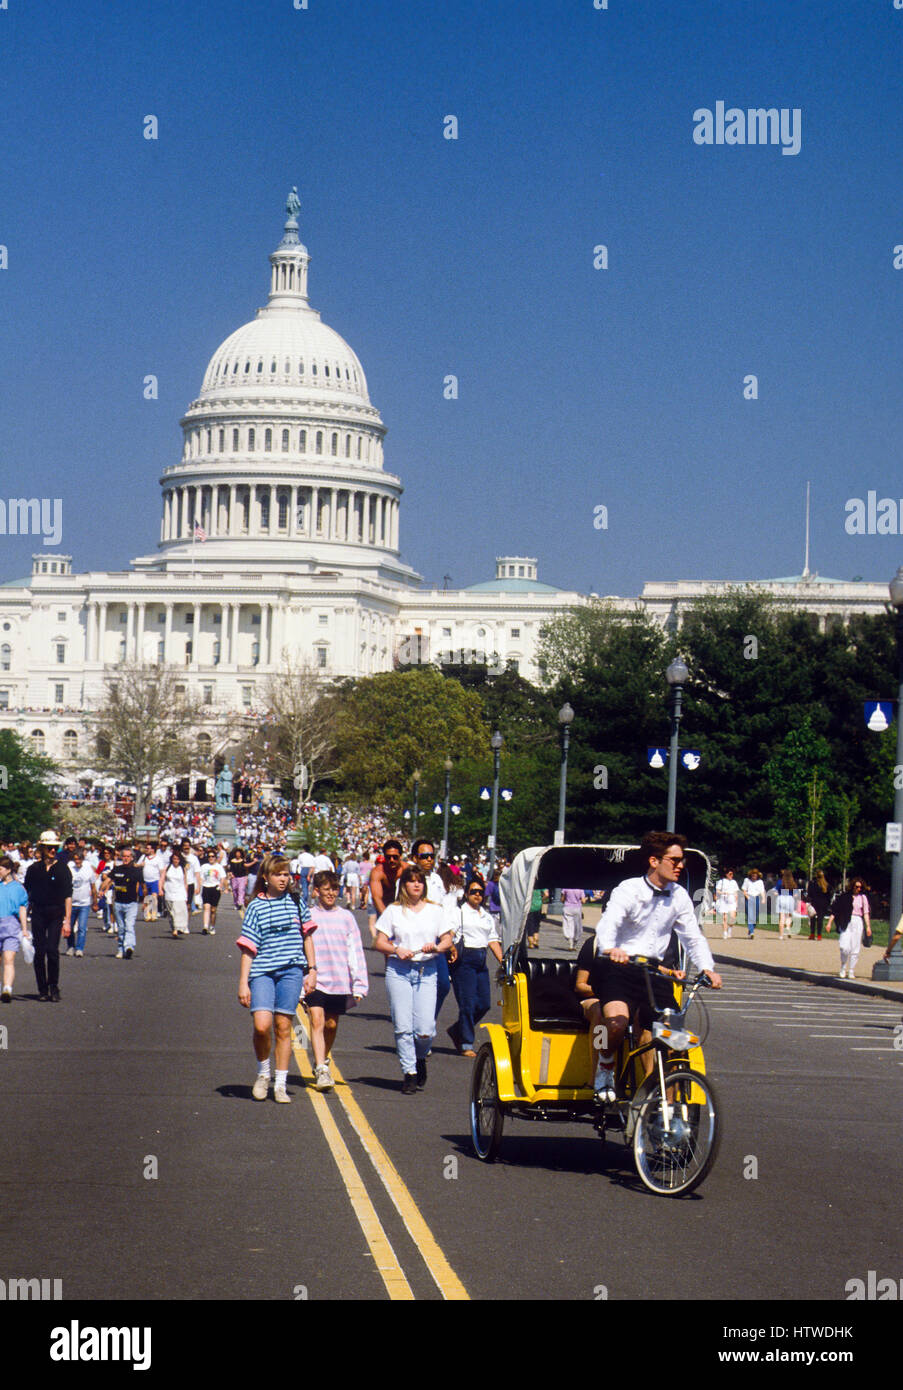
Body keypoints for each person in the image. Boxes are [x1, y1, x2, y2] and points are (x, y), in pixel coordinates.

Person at [592, 831, 722, 1099]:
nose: (680, 865)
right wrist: (610, 947)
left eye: (682, 860)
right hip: (619, 966)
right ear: (654, 861)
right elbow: (609, 922)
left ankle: (666, 1100)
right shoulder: (629, 889)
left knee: (673, 1037)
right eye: (674, 860)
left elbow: (692, 937)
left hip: (653, 972)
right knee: (614, 1024)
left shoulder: (679, 896)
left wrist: (707, 968)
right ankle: (605, 1063)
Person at [237, 854, 317, 1103]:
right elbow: (248, 948)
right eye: (278, 874)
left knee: (283, 1027)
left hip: (291, 971)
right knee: (262, 1026)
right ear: (266, 877)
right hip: (262, 971)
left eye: (286, 874)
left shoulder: (296, 901)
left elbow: (307, 937)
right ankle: (263, 1073)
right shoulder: (256, 906)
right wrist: (243, 982)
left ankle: (280, 1083)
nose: (283, 879)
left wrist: (312, 970)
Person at [373, 867, 452, 1093]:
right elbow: (379, 942)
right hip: (399, 971)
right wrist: (396, 949)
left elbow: (448, 938)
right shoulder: (394, 911)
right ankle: (409, 1072)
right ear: (404, 886)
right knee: (403, 1026)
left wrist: (436, 946)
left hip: (426, 970)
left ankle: (419, 1057)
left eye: (419, 882)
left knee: (425, 1029)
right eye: (411, 881)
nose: (416, 885)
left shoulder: (435, 911)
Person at [305, 870, 368, 1090]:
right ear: (316, 891)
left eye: (334, 888)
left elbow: (355, 951)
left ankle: (322, 1058)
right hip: (316, 979)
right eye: (326, 889)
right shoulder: (308, 915)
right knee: (317, 1021)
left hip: (339, 980)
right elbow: (300, 946)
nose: (331, 893)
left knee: (331, 1025)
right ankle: (322, 1069)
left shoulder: (346, 917)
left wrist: (359, 983)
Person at [445, 878, 503, 1056]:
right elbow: (450, 932)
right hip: (464, 960)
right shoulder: (459, 912)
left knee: (484, 1003)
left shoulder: (485, 915)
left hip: (481, 960)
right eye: (473, 891)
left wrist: (503, 961)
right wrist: (451, 946)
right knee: (467, 1004)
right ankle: (466, 1043)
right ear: (466, 894)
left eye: (480, 892)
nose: (477, 895)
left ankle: (457, 1029)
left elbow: (492, 940)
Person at [24, 831, 73, 1001]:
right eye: (49, 847)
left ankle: (54, 985)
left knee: (52, 950)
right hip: (38, 912)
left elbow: (68, 896)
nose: (53, 850)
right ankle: (42, 989)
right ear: (42, 848)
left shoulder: (63, 869)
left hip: (56, 913)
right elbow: (26, 894)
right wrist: (22, 919)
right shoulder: (33, 869)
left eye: (55, 847)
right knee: (39, 951)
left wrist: (67, 921)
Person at [103, 844, 143, 960]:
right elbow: (109, 880)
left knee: (129, 926)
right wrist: (101, 890)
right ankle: (121, 948)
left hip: (131, 903)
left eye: (128, 856)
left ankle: (129, 947)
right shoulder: (117, 869)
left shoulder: (136, 871)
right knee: (121, 928)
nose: (125, 858)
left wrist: (146, 901)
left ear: (132, 858)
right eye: (124, 856)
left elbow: (143, 886)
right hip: (119, 903)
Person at [826, 877, 870, 980]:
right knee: (844, 946)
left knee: (855, 947)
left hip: (858, 921)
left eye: (860, 887)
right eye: (856, 886)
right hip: (845, 921)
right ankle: (843, 966)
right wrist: (829, 923)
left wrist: (868, 927)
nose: (858, 889)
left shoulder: (863, 898)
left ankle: (851, 970)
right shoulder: (844, 897)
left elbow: (866, 913)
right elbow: (835, 910)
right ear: (852, 886)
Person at [0, 855, 30, 1002]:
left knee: (8, 958)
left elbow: (22, 909)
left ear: (8, 870)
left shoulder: (18, 888)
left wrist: (24, 930)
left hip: (11, 925)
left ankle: (7, 988)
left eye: (0, 869)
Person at [368, 839, 405, 945]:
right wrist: (389, 919)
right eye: (388, 857)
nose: (392, 860)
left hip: (404, 908)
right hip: (385, 908)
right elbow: (376, 898)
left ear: (401, 856)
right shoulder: (378, 872)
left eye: (395, 857)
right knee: (387, 945)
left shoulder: (407, 869)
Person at [66, 848, 98, 958]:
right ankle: (70, 946)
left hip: (84, 903)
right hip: (71, 902)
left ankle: (79, 948)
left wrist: (95, 902)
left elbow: (93, 887)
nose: (77, 862)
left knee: (82, 927)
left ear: (82, 859)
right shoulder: (69, 867)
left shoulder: (88, 869)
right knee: (69, 926)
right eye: (75, 860)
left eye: (79, 860)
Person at [160, 849, 190, 936]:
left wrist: (186, 894)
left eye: (177, 859)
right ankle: (174, 927)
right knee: (170, 912)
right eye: (174, 859)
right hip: (169, 892)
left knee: (179, 911)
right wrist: (160, 889)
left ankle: (177, 929)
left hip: (180, 892)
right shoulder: (168, 867)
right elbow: (162, 879)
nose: (175, 860)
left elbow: (185, 882)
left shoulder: (182, 869)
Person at [199, 846, 226, 934]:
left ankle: (212, 926)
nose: (211, 858)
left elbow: (222, 877)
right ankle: (205, 927)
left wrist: (221, 886)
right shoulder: (204, 866)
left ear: (215, 857)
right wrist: (199, 887)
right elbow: (201, 878)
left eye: (212, 856)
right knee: (206, 907)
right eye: (209, 856)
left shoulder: (219, 867)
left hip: (215, 888)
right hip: (206, 887)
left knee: (213, 910)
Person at [714, 868, 740, 938]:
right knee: (724, 918)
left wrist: (737, 902)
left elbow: (736, 893)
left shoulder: (734, 882)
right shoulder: (721, 881)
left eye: (732, 874)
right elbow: (717, 891)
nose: (731, 875)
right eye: (730, 874)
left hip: (732, 901)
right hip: (723, 900)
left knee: (732, 918)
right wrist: (724, 893)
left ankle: (730, 929)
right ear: (726, 874)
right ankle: (725, 932)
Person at [806, 870, 831, 941]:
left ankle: (812, 934)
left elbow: (809, 893)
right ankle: (819, 935)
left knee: (812, 918)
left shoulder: (812, 883)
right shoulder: (826, 885)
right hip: (823, 904)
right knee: (820, 919)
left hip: (814, 902)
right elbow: (829, 895)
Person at [740, 869, 766, 938]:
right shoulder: (747, 880)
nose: (754, 876)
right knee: (750, 915)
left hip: (756, 898)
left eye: (755, 875)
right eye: (753, 875)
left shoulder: (760, 882)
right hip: (749, 898)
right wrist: (747, 897)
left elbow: (762, 891)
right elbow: (744, 890)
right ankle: (752, 932)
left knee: (755, 916)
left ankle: (750, 930)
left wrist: (763, 898)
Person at [561, 886, 585, 951]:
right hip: (577, 908)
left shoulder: (566, 888)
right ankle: (574, 943)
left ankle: (570, 944)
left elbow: (562, 899)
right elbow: (583, 901)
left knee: (569, 925)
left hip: (567, 908)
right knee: (577, 926)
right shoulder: (580, 889)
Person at [228, 844, 249, 915]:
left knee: (241, 890)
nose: (238, 854)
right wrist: (231, 874)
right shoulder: (232, 861)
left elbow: (246, 870)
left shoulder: (243, 861)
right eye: (237, 853)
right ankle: (236, 903)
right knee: (234, 890)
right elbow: (230, 869)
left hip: (242, 877)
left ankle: (240, 903)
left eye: (239, 853)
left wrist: (246, 878)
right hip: (234, 877)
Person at [777, 870, 796, 940]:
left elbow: (777, 890)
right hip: (789, 898)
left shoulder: (780, 882)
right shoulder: (792, 882)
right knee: (789, 916)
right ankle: (788, 927)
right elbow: (795, 893)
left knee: (782, 918)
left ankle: (781, 936)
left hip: (781, 898)